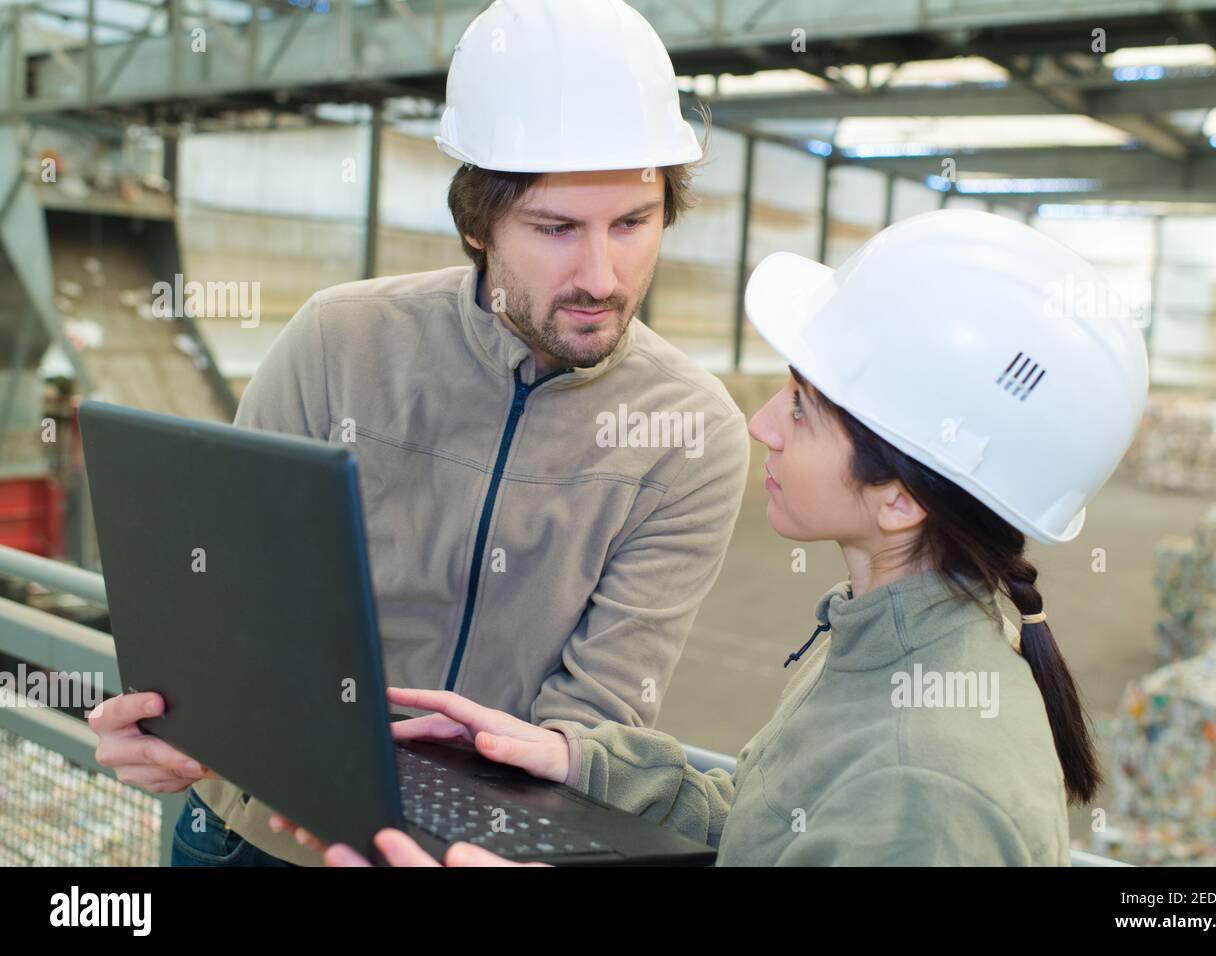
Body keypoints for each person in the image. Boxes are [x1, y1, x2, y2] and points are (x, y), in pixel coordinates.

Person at [87, 0, 749, 867]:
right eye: (556, 229)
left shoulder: (690, 434)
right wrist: (172, 718)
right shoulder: (340, 341)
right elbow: (225, 599)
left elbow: (596, 720)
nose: (602, 276)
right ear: (476, 222)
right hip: (249, 835)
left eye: (633, 223)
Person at [278, 209, 1150, 866]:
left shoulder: (924, 785)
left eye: (802, 409)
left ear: (898, 498)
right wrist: (578, 762)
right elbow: (762, 828)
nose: (763, 424)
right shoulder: (886, 646)